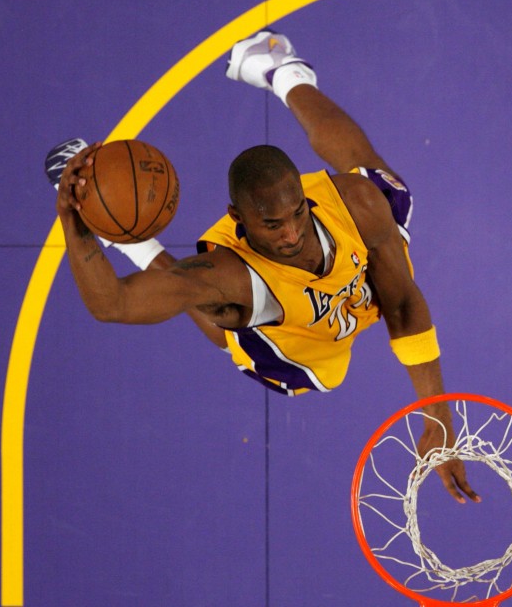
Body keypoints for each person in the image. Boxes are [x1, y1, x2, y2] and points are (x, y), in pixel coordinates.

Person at [49, 30, 479, 503]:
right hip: (303, 332)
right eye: (272, 224)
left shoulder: (354, 202)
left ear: (307, 195)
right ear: (240, 220)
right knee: (223, 327)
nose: (291, 233)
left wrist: (437, 417)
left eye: (297, 213)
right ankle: (129, 239)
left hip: (356, 270)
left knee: (370, 172)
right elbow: (113, 304)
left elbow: (401, 303)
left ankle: (282, 70)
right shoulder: (231, 275)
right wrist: (76, 221)